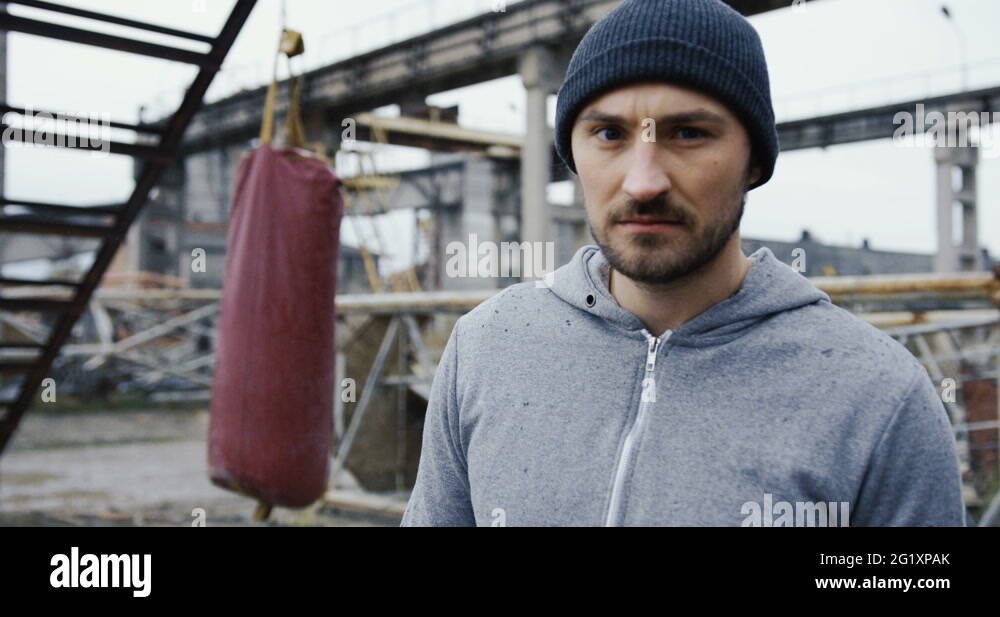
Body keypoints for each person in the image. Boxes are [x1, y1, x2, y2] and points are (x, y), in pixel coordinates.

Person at [400, 0, 965, 526]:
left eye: (689, 133)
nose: (644, 182)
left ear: (755, 162)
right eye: (609, 133)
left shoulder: (880, 398)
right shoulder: (486, 347)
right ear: (573, 154)